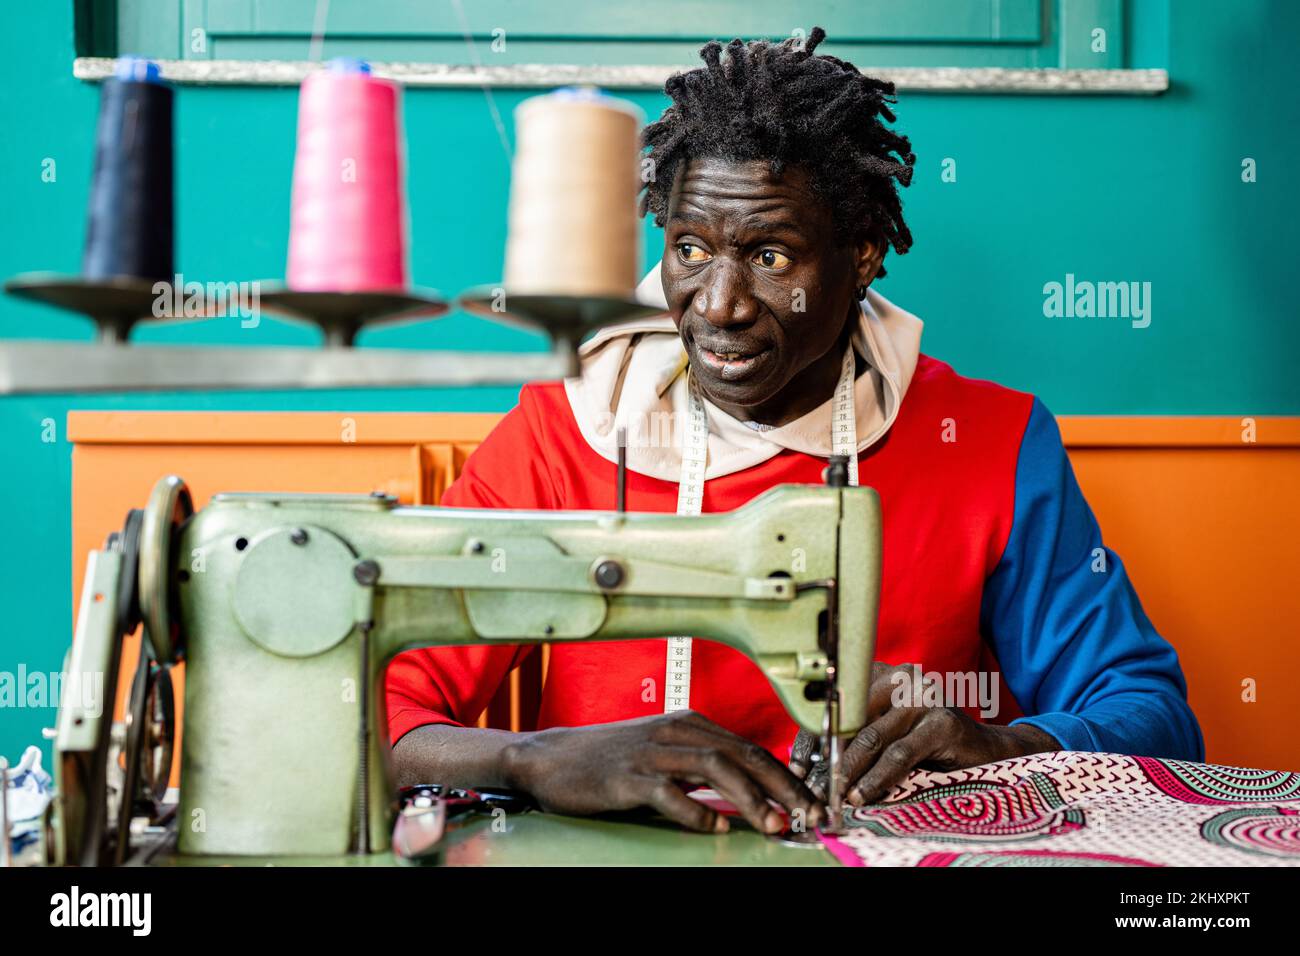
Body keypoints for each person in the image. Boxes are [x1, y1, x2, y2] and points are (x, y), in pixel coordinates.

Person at [386, 27, 1203, 837]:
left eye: (772, 256)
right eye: (691, 248)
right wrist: (535, 758)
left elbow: (1154, 716)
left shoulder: (990, 440)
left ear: (864, 254)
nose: (718, 304)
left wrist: (999, 743)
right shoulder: (564, 436)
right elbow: (374, 704)